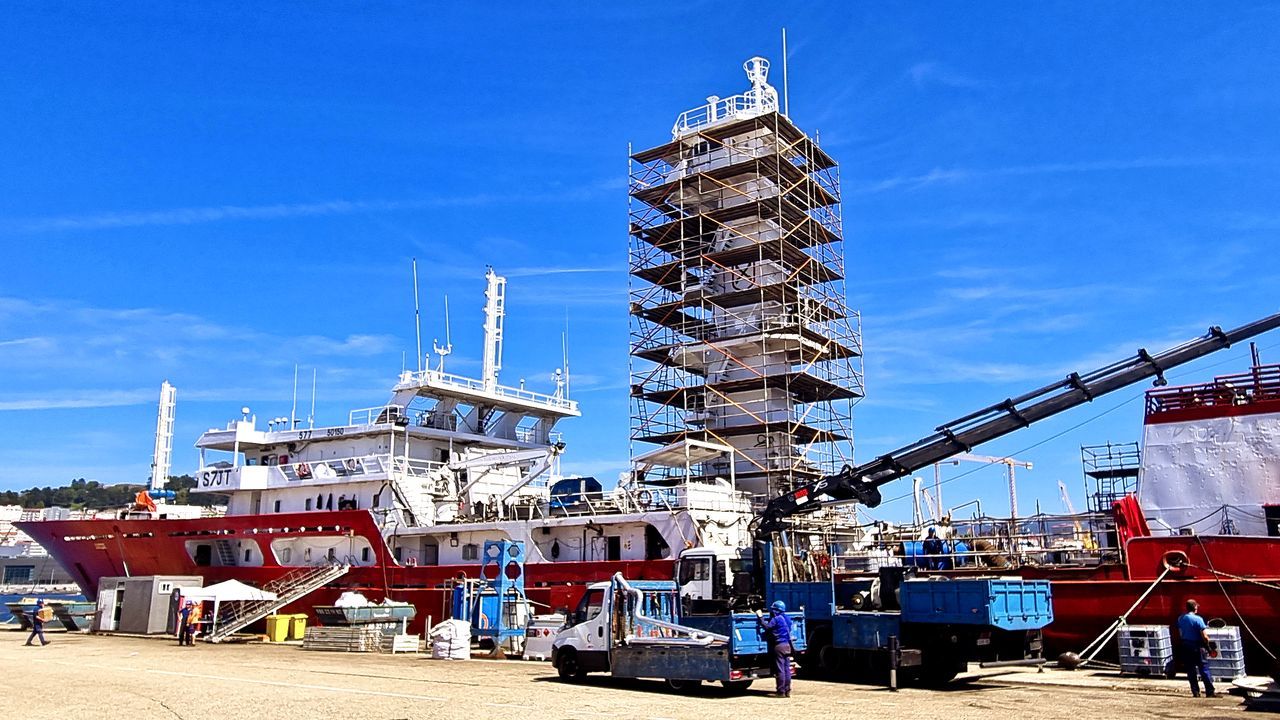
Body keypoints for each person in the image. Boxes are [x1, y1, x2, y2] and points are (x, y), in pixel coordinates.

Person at [1176, 599, 1215, 698]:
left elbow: (1180, 633)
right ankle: (1210, 691)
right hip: (1198, 646)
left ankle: (1195, 692)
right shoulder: (1198, 619)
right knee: (1204, 669)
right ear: (1194, 607)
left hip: (1186, 646)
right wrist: (1208, 646)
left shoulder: (1181, 618)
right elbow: (1204, 636)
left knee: (1191, 670)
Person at [756, 600, 793, 698]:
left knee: (780, 670)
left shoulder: (776, 619)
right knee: (787, 669)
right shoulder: (787, 618)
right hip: (787, 645)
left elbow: (766, 627)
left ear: (775, 610)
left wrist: (760, 617)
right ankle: (787, 691)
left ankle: (781, 692)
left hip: (779, 646)